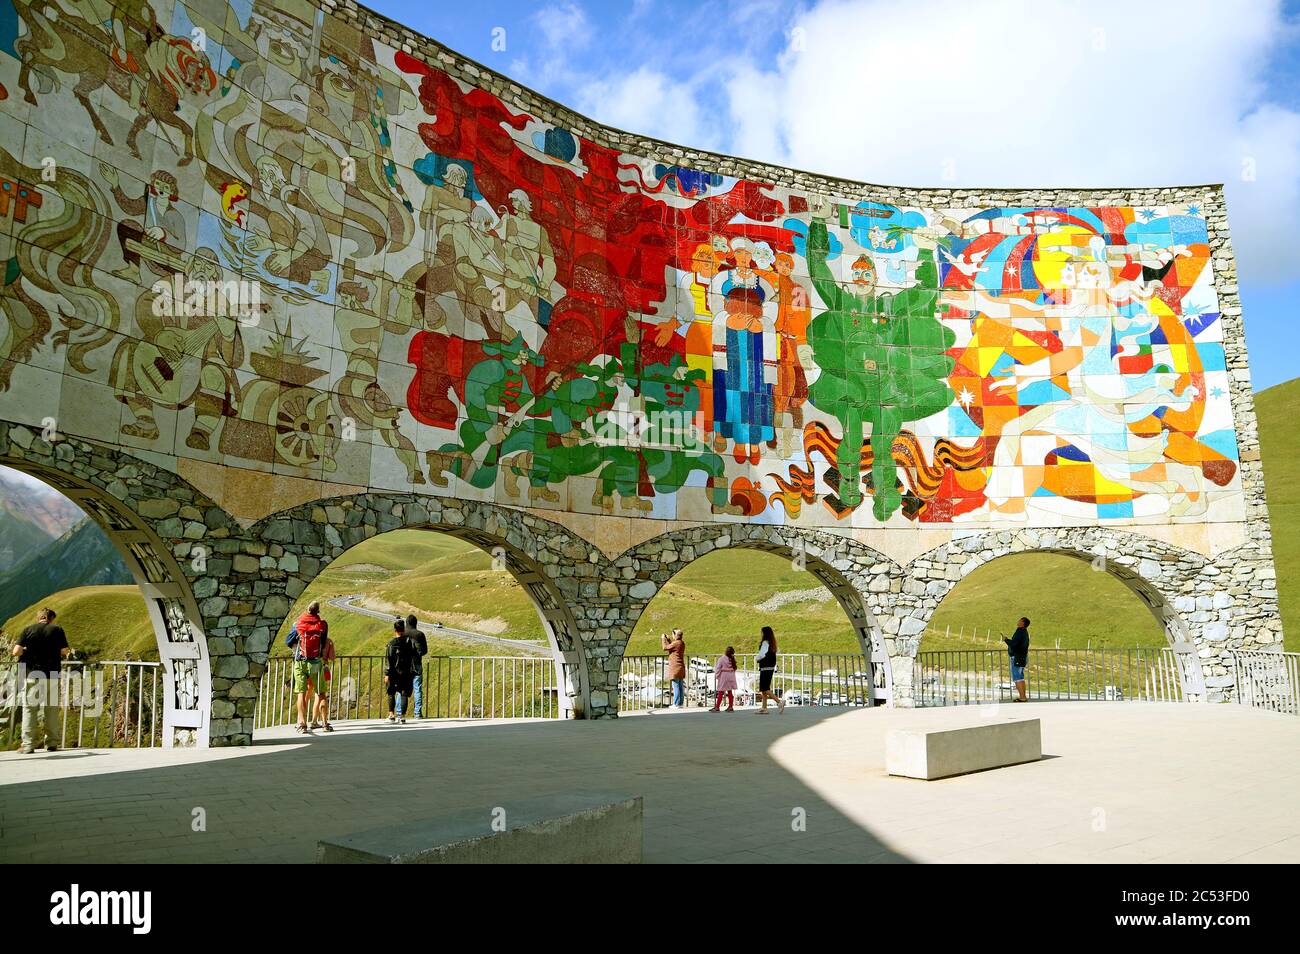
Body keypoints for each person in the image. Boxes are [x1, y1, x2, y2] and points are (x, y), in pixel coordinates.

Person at [10, 608, 70, 754]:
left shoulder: (28, 630)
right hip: (52, 674)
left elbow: (16, 652)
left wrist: (27, 651)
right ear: (49, 618)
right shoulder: (57, 630)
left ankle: (28, 745)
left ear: (40, 617)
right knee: (51, 709)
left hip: (33, 674)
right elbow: (65, 651)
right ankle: (51, 743)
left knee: (30, 709)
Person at [288, 600, 329, 735]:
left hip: (300, 662)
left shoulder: (299, 624)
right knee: (321, 693)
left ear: (307, 610)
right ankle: (324, 724)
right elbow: (323, 643)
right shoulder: (322, 625)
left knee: (301, 693)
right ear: (318, 612)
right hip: (316, 663)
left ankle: (303, 724)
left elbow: (288, 641)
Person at [384, 618, 418, 724]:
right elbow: (414, 655)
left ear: (395, 630)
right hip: (406, 672)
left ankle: (391, 715)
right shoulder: (409, 642)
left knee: (391, 693)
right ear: (404, 629)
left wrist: (387, 674)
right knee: (404, 694)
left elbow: (388, 659)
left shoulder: (391, 644)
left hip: (394, 672)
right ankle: (402, 717)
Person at [399, 613, 427, 719]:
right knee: (417, 689)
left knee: (401, 689)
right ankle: (417, 713)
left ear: (406, 623)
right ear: (415, 623)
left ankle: (399, 711)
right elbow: (424, 651)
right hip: (417, 664)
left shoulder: (403, 633)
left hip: (404, 665)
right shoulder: (419, 634)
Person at [311, 624, 337, 733]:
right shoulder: (328, 641)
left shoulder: (313, 640)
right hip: (322, 668)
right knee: (321, 695)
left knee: (317, 694)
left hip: (311, 667)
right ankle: (324, 722)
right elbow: (332, 657)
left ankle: (313, 721)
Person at [756, 625, 784, 714]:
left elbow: (761, 655)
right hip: (770, 667)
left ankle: (779, 702)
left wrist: (757, 659)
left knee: (764, 688)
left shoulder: (765, 643)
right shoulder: (772, 643)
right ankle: (764, 707)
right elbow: (777, 651)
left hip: (765, 667)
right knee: (764, 688)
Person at [1003, 617, 1031, 702]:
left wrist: (1006, 640)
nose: (1018, 621)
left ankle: (1022, 697)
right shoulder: (1024, 632)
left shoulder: (1020, 632)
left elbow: (1014, 644)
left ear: (1022, 623)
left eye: (1020, 620)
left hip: (1017, 657)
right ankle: (1023, 696)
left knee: (1017, 678)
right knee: (1021, 677)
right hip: (1022, 656)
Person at [661, 629, 686, 708]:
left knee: (675, 686)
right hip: (681, 667)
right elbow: (673, 646)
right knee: (680, 686)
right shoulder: (681, 643)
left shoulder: (676, 643)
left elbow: (665, 648)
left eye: (673, 634)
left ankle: (675, 703)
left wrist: (663, 639)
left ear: (675, 635)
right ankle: (681, 703)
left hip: (675, 667)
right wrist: (668, 639)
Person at [710, 646, 738, 713]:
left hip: (724, 676)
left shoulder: (722, 659)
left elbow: (718, 668)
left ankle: (717, 707)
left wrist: (717, 676)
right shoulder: (733, 659)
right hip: (731, 676)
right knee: (730, 691)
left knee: (720, 692)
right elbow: (735, 668)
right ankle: (730, 706)